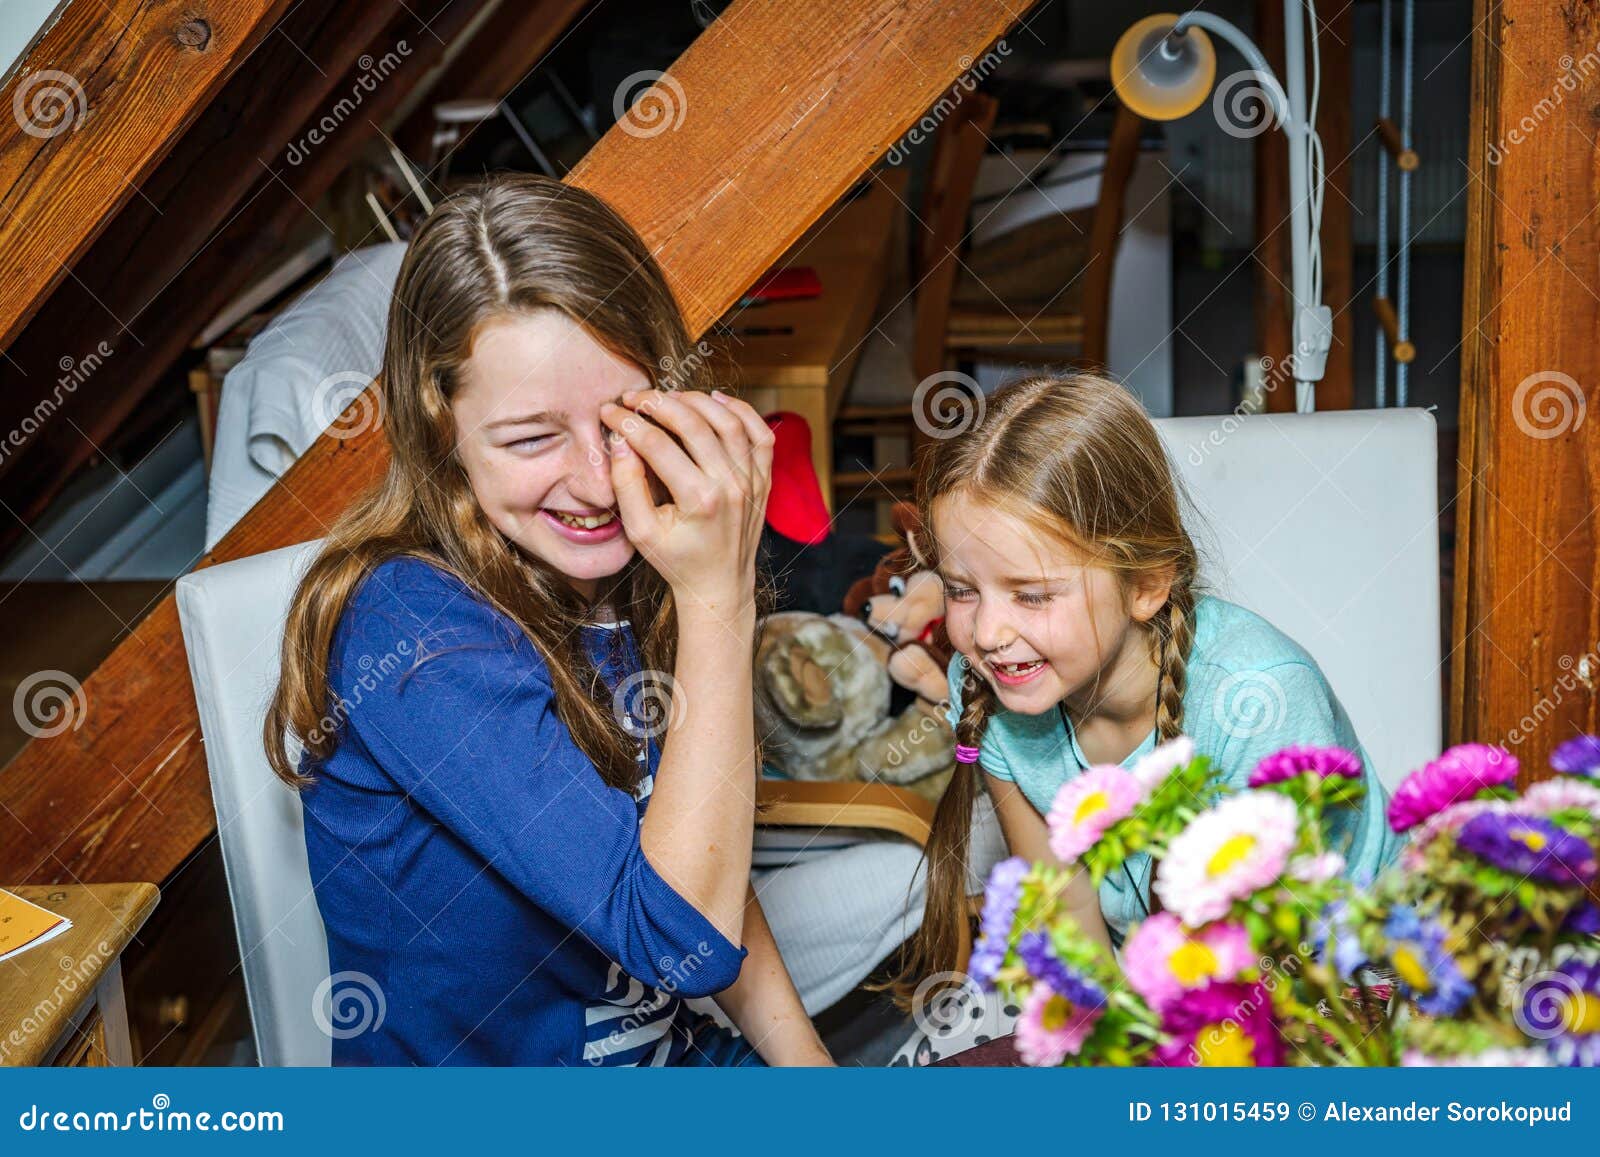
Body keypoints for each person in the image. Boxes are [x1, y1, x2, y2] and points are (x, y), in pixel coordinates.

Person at [265, 174, 830, 1066]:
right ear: (436, 421)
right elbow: (682, 938)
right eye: (532, 438)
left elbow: (697, 838)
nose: (600, 481)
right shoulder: (410, 629)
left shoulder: (630, 566)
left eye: (621, 421)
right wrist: (719, 599)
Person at [896, 372, 1400, 990]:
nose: (990, 633)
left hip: (1335, 982)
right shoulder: (991, 690)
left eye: (1031, 596)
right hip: (1155, 991)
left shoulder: (1261, 700)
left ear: (1145, 586)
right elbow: (1068, 919)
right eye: (960, 590)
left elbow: (1269, 962)